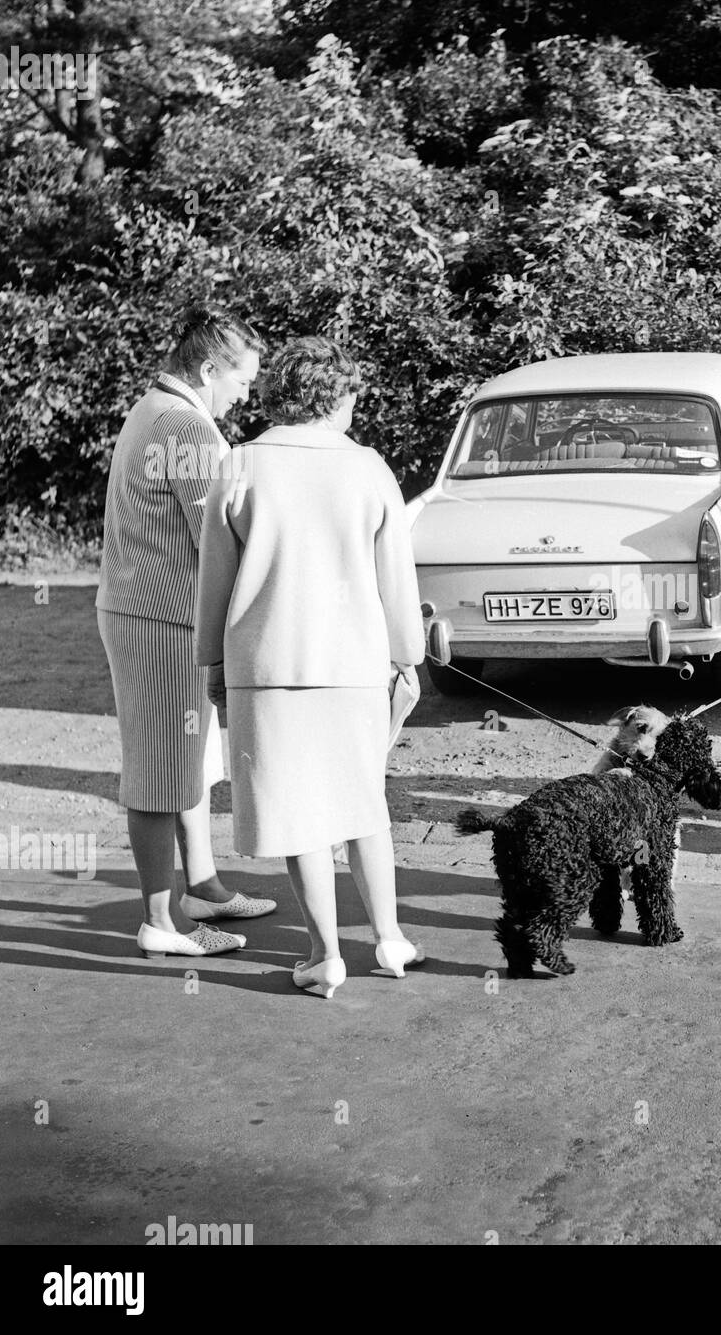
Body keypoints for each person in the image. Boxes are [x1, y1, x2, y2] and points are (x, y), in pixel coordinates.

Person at [195, 337, 427, 998]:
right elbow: (397, 580)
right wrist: (407, 657)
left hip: (266, 668)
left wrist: (211, 660)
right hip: (354, 666)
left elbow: (216, 579)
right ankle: (389, 939)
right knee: (363, 803)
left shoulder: (240, 465)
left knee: (299, 813)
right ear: (340, 396)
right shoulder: (369, 469)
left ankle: (326, 954)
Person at [97, 302, 275, 959]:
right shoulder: (191, 431)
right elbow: (223, 537)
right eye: (242, 380)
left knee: (187, 762)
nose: (248, 393)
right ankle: (162, 924)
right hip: (160, 619)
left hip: (151, 610)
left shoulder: (156, 409)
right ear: (207, 369)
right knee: (156, 772)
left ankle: (201, 885)